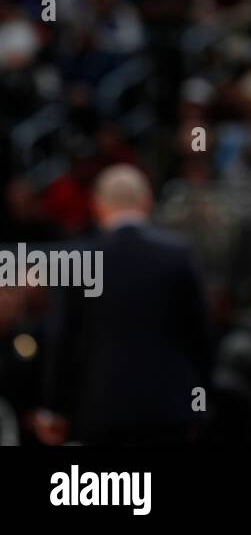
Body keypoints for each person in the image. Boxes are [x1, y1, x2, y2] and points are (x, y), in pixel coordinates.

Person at [38, 164, 212, 445]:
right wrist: (201, 401)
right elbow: (200, 338)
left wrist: (54, 408)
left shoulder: (80, 261)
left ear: (97, 206)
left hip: (101, 409)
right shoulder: (178, 254)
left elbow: (63, 341)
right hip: (169, 408)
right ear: (147, 202)